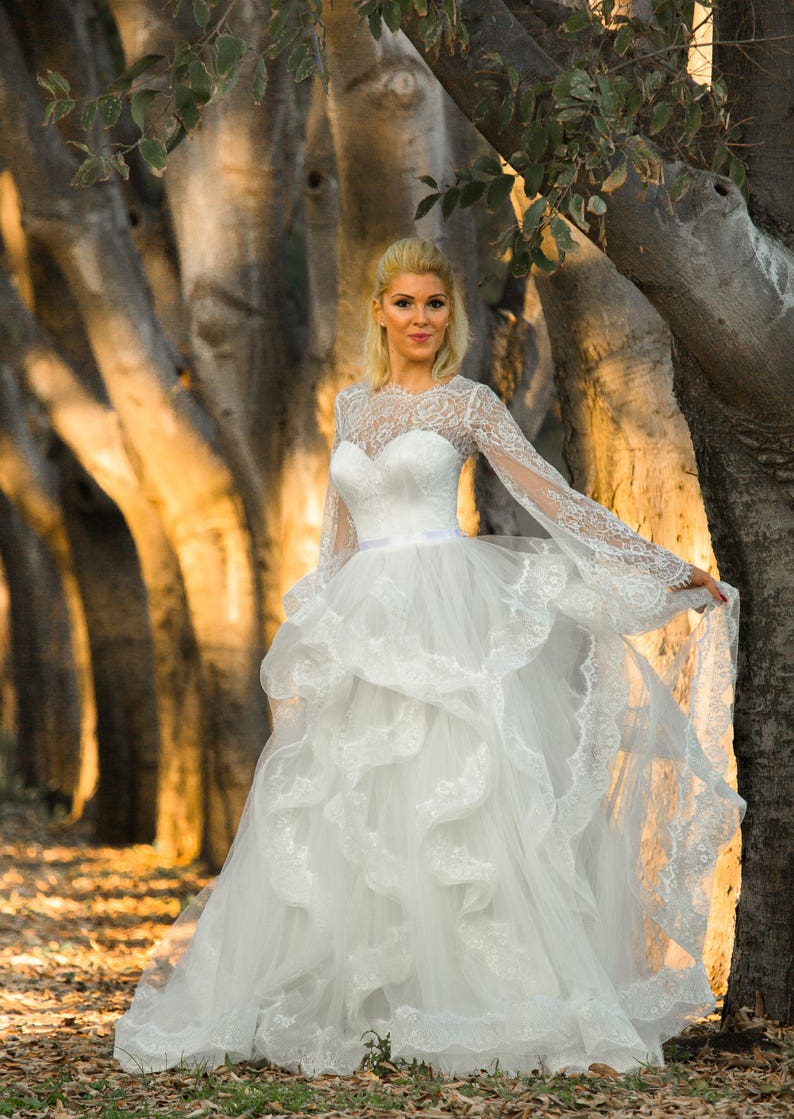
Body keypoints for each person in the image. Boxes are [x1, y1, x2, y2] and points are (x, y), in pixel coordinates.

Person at [114, 237, 745, 1078]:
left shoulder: (469, 403)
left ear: (452, 314)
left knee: (459, 799)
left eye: (435, 303)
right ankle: (363, 1005)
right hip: (360, 621)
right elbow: (338, 536)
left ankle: (482, 1002)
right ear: (379, 310)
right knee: (356, 805)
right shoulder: (353, 406)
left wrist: (663, 569)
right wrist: (314, 634)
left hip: (447, 610)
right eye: (405, 302)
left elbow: (549, 494)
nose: (420, 318)